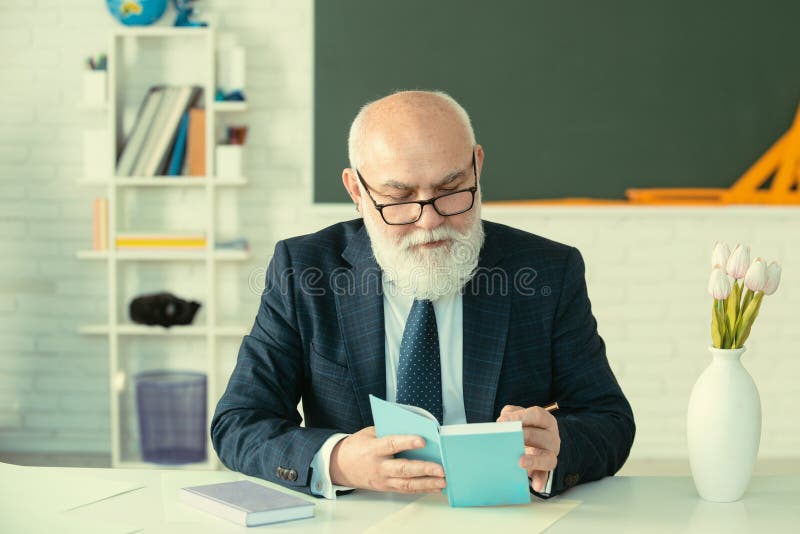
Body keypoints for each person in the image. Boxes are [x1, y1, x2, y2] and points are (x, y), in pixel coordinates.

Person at [211, 90, 635, 499]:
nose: (430, 221)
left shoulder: (549, 270)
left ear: (477, 167)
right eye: (399, 198)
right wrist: (338, 461)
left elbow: (609, 420)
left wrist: (558, 445)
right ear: (357, 191)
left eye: (451, 191)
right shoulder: (302, 269)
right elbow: (239, 423)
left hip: (504, 514)